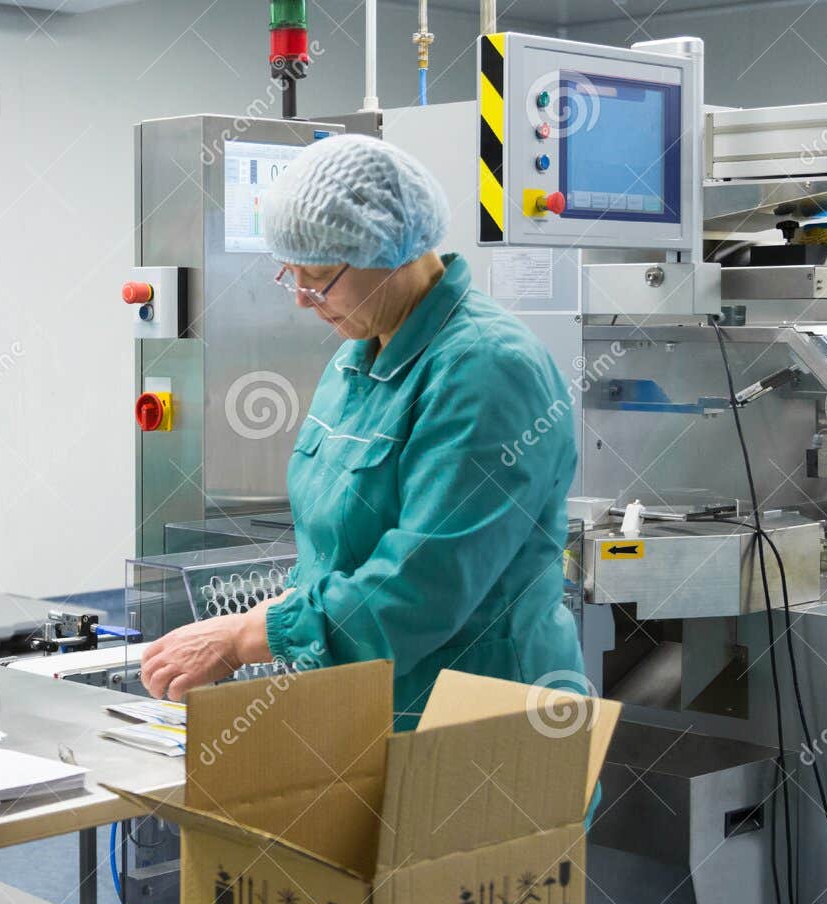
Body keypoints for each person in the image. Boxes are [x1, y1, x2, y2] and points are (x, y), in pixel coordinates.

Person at [140, 134, 583, 727]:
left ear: (393, 248)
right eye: (290, 274)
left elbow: (424, 587)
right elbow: (334, 551)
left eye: (320, 275)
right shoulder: (357, 358)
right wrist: (285, 622)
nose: (303, 300)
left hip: (480, 718)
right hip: (369, 702)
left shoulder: (487, 369)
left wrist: (248, 636)